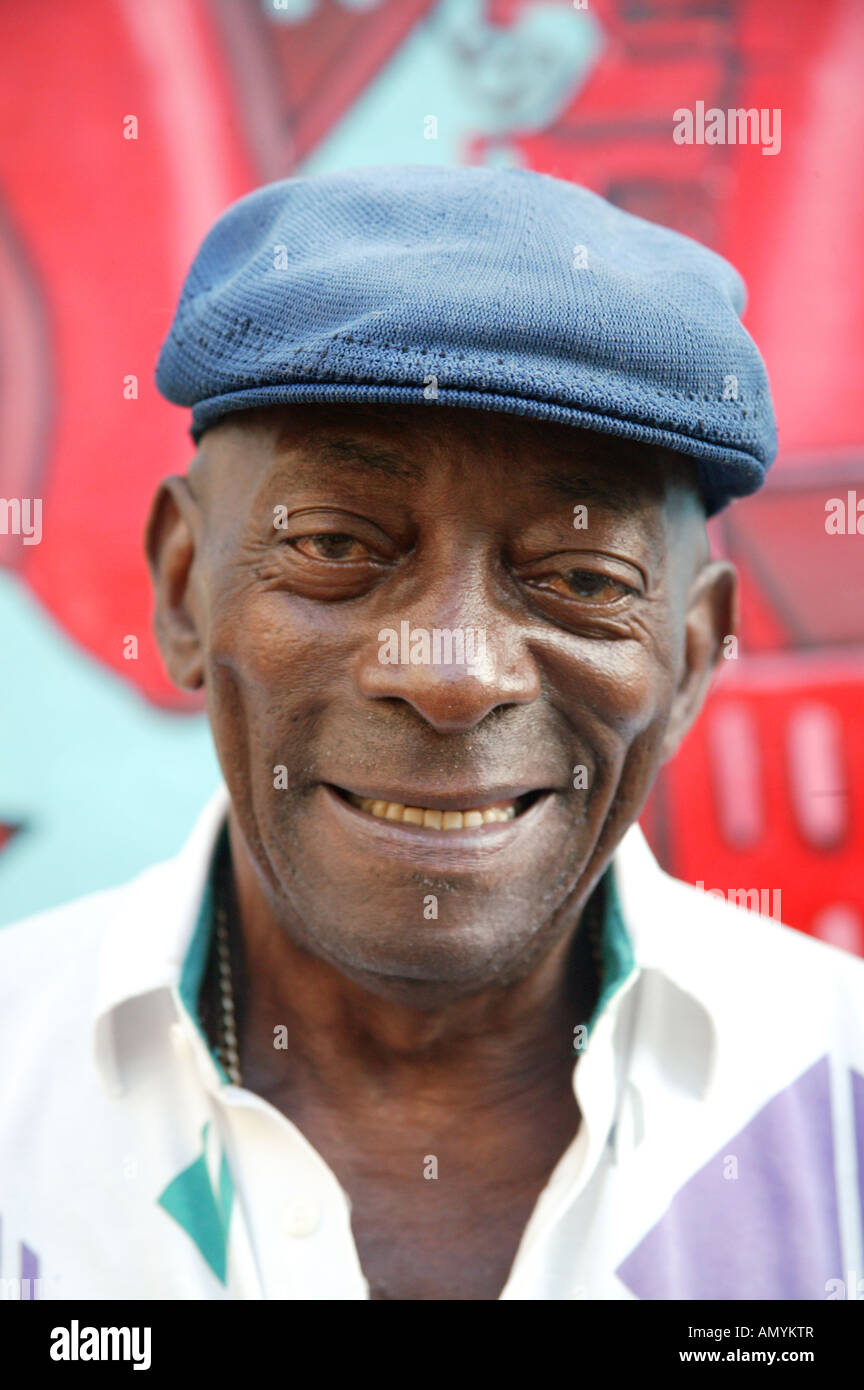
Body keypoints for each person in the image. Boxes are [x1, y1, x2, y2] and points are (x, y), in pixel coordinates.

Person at [3, 166, 863, 1302]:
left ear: (692, 655)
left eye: (579, 576)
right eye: (337, 545)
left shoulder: (835, 1088)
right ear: (180, 592)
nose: (452, 674)